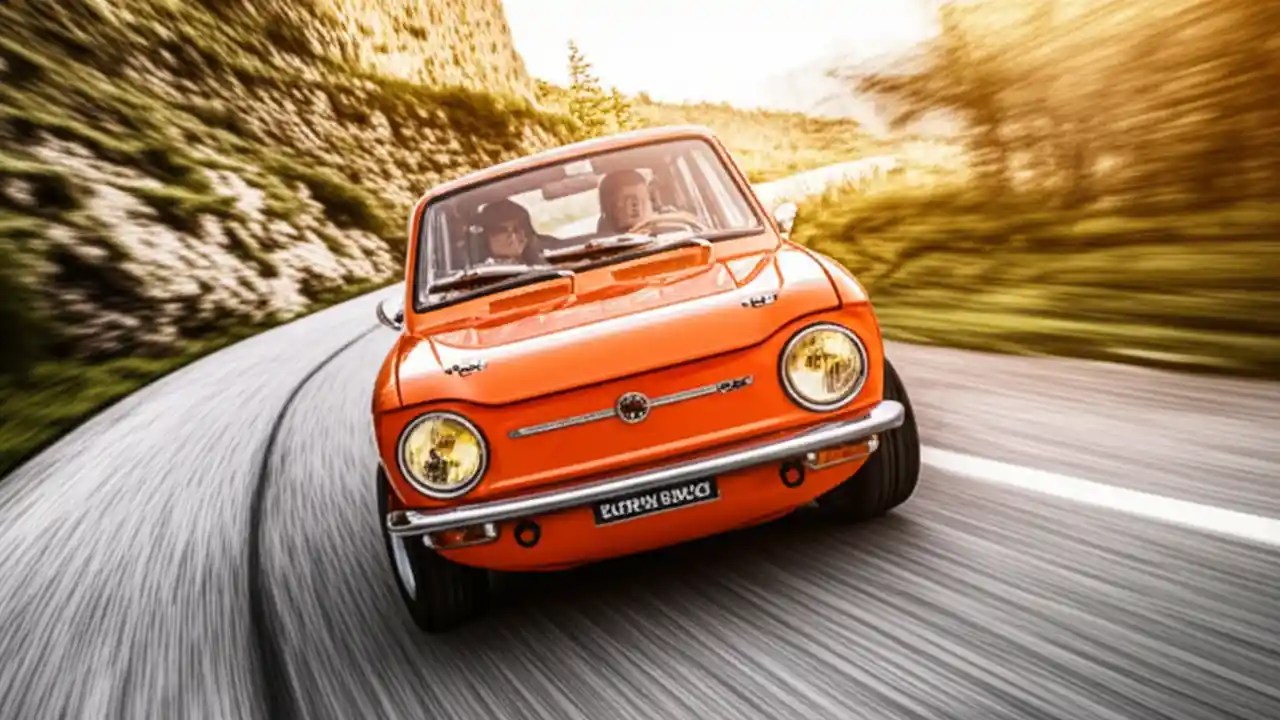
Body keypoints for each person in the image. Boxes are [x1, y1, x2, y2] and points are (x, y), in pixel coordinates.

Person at [475, 199, 543, 264]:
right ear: (486, 236)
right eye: (502, 230)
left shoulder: (541, 261)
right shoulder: (484, 269)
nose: (514, 235)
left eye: (519, 228)